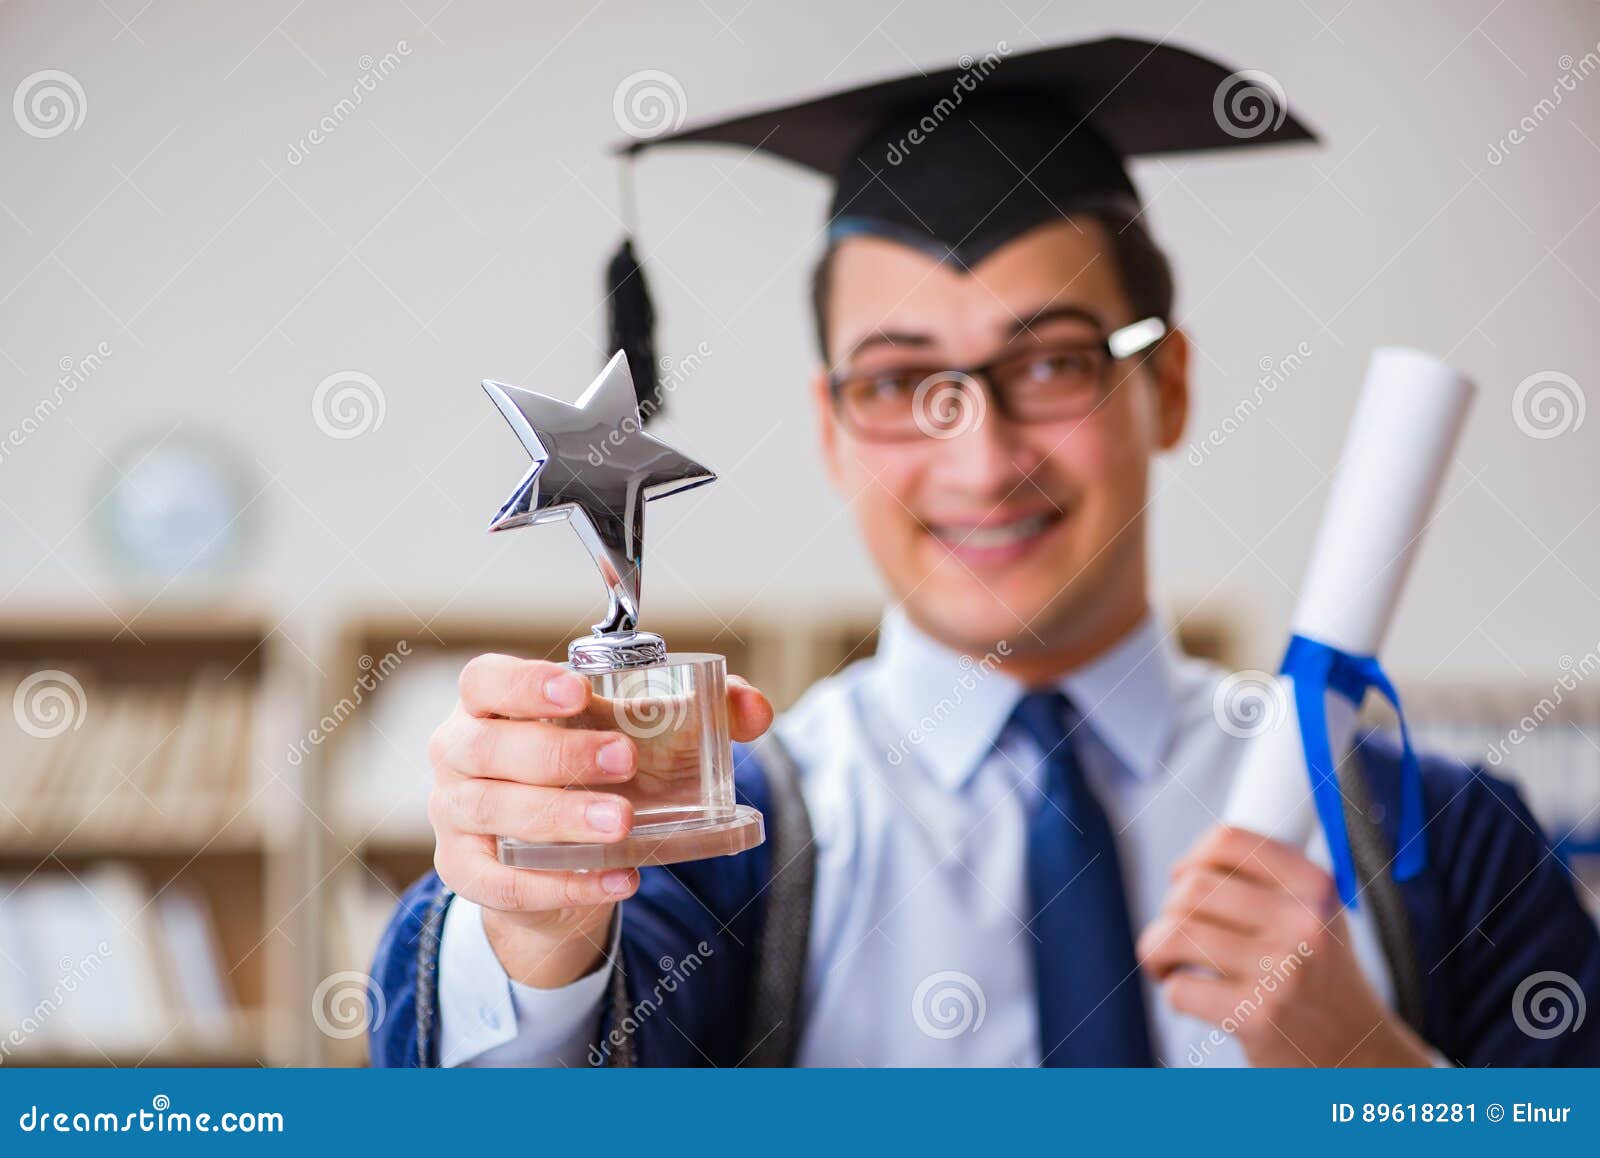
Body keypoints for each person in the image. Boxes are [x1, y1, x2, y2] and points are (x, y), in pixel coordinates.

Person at [369, 36, 1600, 1067]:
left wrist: (1379, 1089)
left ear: (1166, 385)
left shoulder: (1433, 840)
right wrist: (534, 932)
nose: (980, 455)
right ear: (832, 428)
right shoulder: (722, 839)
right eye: (903, 382)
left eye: (1054, 362)